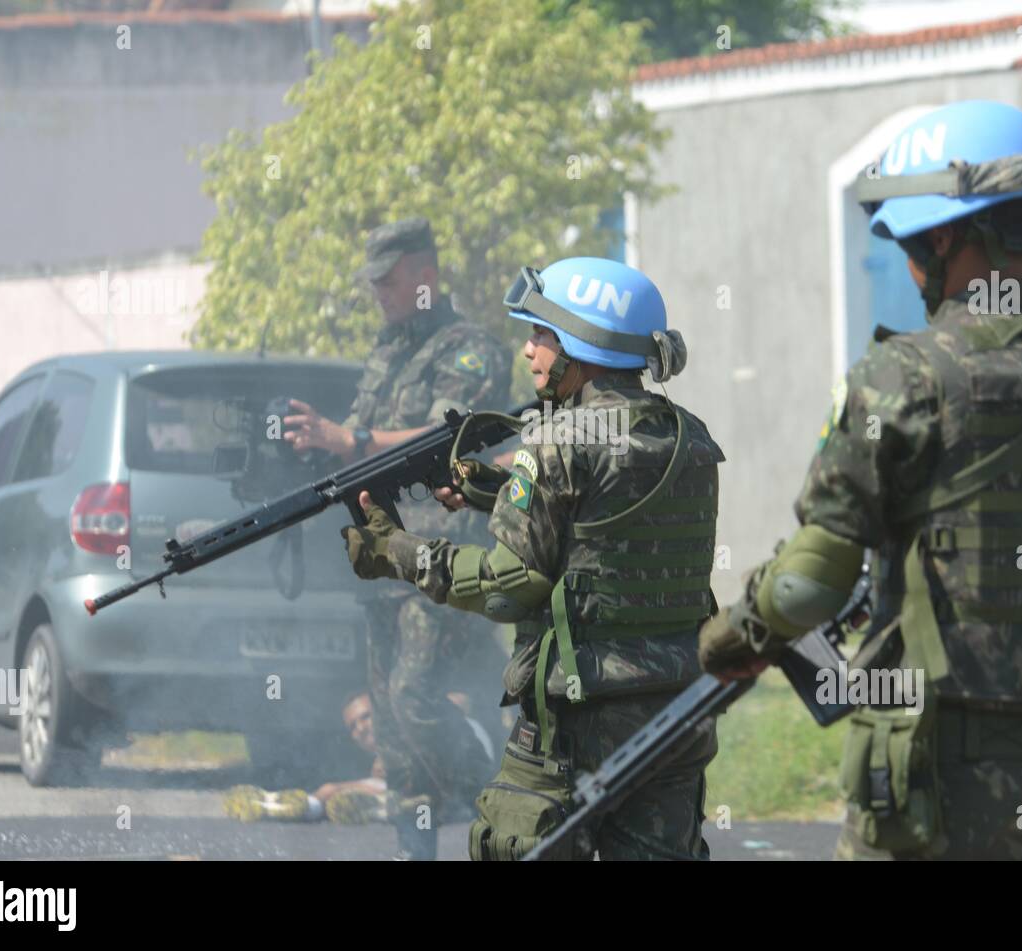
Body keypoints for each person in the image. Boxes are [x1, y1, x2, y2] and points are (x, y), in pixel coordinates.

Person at [698, 100, 1022, 860]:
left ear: (943, 236)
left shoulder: (903, 375)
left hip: (934, 788)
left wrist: (732, 637)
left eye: (908, 240)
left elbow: (808, 583)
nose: (907, 263)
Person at [342, 257, 723, 860]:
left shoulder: (554, 444)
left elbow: (506, 586)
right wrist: (494, 491)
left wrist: (399, 552)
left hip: (577, 719)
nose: (527, 351)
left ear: (581, 343)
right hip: (677, 712)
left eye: (540, 335)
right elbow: (609, 528)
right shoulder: (690, 437)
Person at [283, 217, 512, 859]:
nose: (378, 293)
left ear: (425, 276)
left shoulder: (469, 350)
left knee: (415, 700)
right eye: (373, 283)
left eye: (389, 280)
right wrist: (311, 445)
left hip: (441, 559)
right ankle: (417, 852)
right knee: (390, 726)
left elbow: (448, 436)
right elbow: (357, 435)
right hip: (383, 558)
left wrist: (350, 441)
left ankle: (506, 797)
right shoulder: (389, 350)